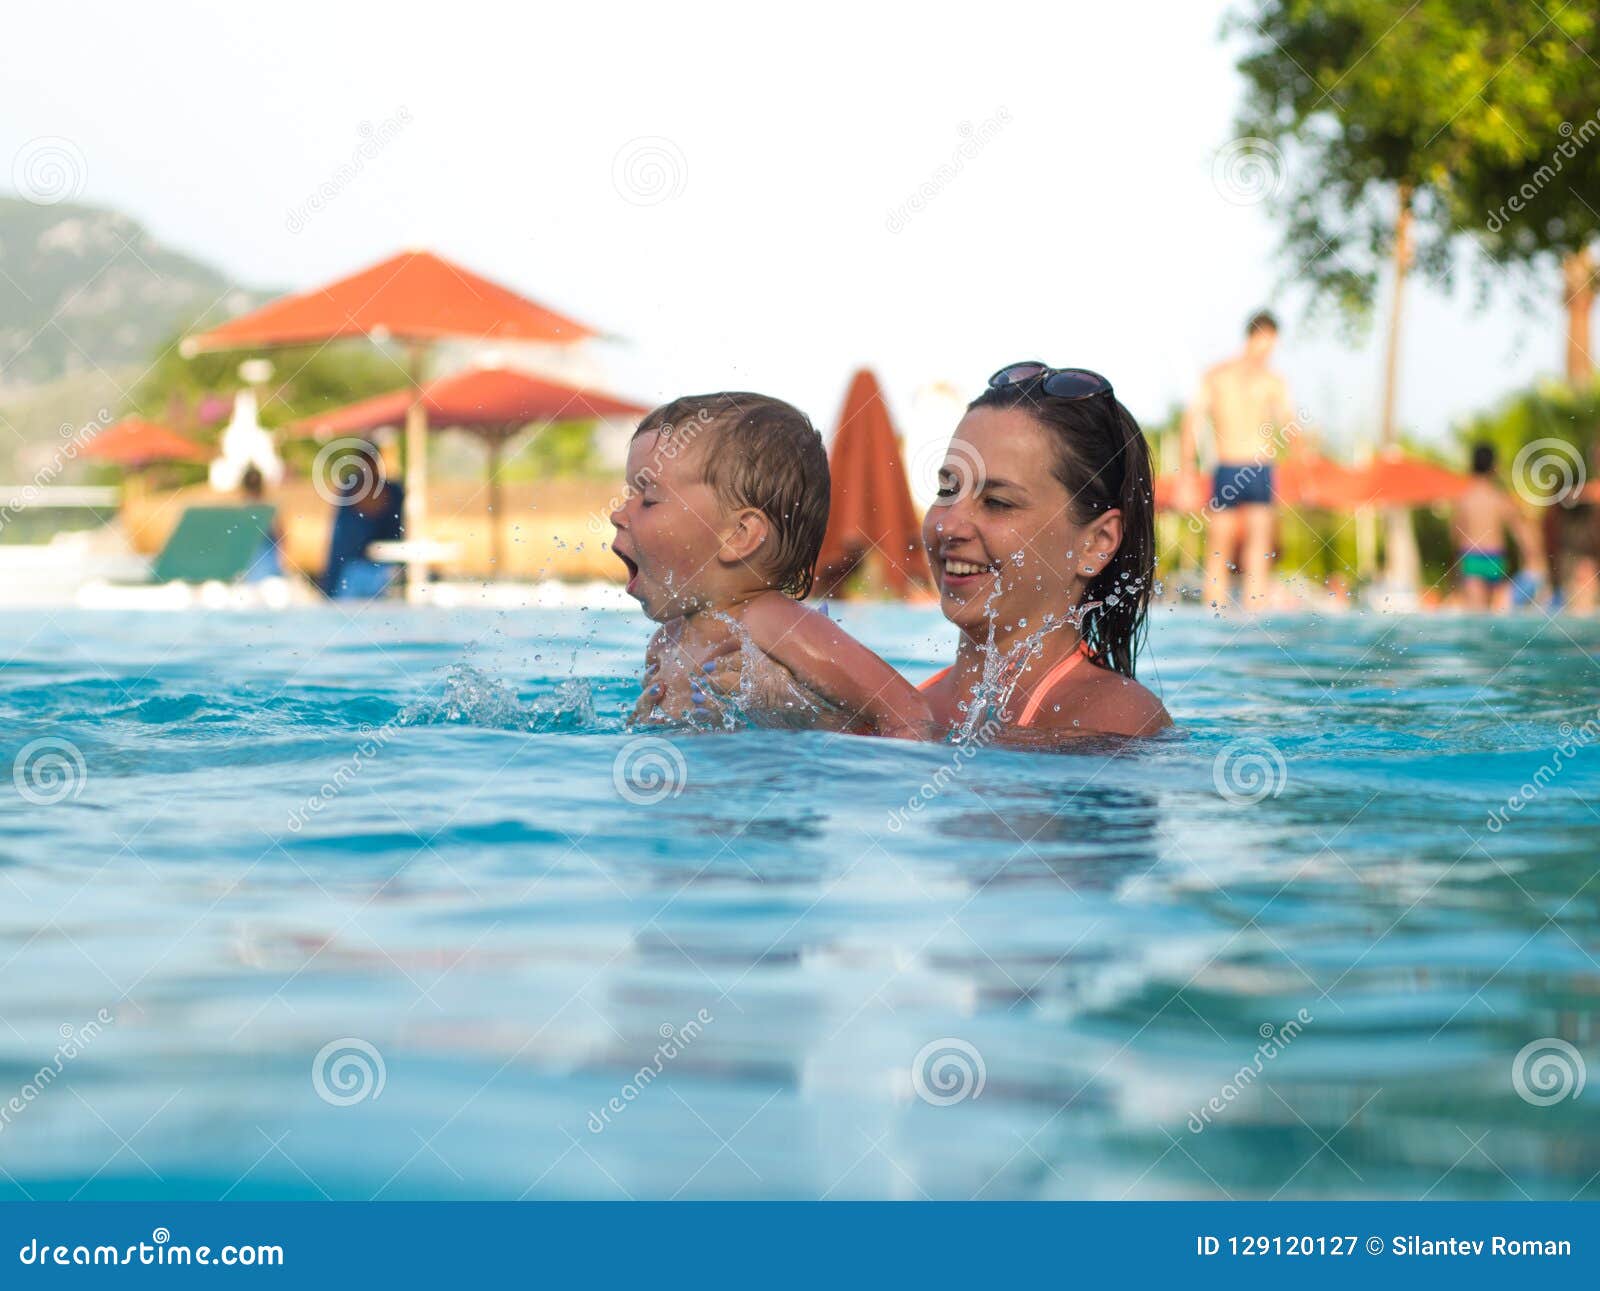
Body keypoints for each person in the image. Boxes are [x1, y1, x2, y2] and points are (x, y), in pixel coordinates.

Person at [614, 392, 931, 739]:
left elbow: (911, 715)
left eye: (648, 499)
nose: (617, 514)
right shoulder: (665, 643)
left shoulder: (772, 623)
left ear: (739, 535)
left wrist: (803, 716)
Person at [917, 362, 1171, 740]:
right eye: (947, 491)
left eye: (998, 502)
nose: (949, 526)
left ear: (1096, 543)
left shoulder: (1117, 720)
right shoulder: (901, 707)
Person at [1178, 311, 1300, 611]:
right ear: (1255, 337)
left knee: (1259, 548)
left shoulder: (1273, 380)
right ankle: (1214, 612)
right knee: (1219, 546)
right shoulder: (1218, 376)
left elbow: (1290, 425)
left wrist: (1302, 467)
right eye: (1268, 343)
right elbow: (1192, 421)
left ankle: (1254, 613)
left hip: (1261, 466)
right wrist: (1186, 473)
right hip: (1228, 465)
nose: (1270, 351)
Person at [1451, 443, 1540, 611]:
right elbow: (1521, 531)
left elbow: (1456, 534)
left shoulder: (1464, 499)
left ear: (1471, 465)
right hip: (1495, 558)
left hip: (1472, 558)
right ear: (1494, 467)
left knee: (1476, 615)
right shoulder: (1499, 498)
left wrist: (1454, 564)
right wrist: (1533, 557)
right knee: (1495, 616)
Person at [319, 440, 405, 599]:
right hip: (350, 569)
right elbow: (339, 542)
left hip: (383, 567)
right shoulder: (349, 491)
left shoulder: (393, 492)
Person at [239, 464, 285, 582]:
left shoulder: (241, 512)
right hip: (267, 568)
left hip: (253, 569)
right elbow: (282, 538)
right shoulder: (271, 510)